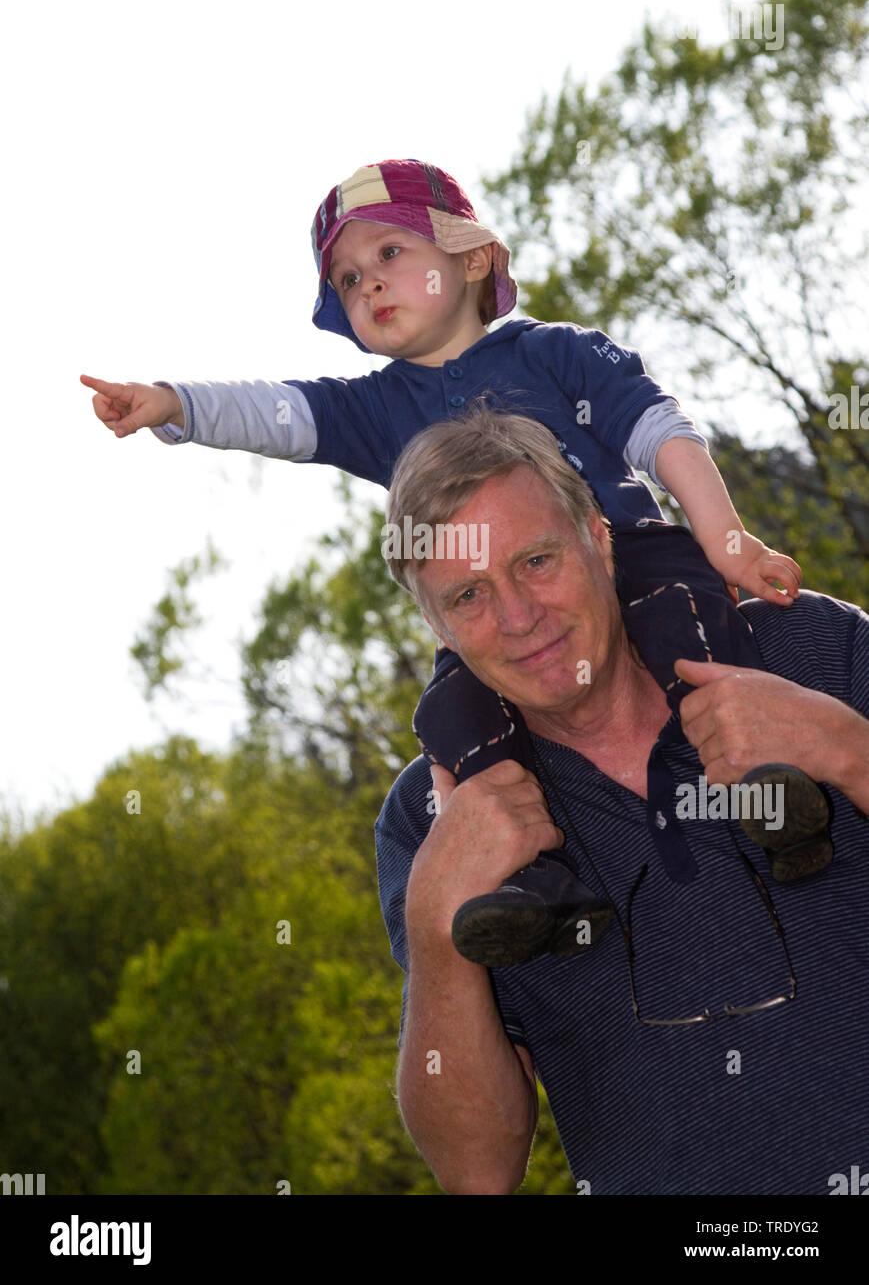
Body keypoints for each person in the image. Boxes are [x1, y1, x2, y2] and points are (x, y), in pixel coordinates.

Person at [80, 156, 830, 970]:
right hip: (492, 610)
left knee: (688, 621)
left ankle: (767, 786)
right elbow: (278, 412)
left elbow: (662, 435)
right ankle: (527, 882)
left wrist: (725, 541)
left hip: (628, 553)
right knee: (450, 715)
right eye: (348, 277)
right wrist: (173, 405)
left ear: (470, 257)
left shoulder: (559, 356)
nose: (367, 284)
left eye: (389, 256)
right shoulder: (375, 407)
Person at [374, 405, 869, 1195]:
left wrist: (851, 753)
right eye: (467, 596)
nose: (516, 616)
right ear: (435, 625)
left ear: (599, 540)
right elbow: (475, 1171)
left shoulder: (808, 649)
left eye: (536, 560)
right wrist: (439, 931)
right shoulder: (433, 815)